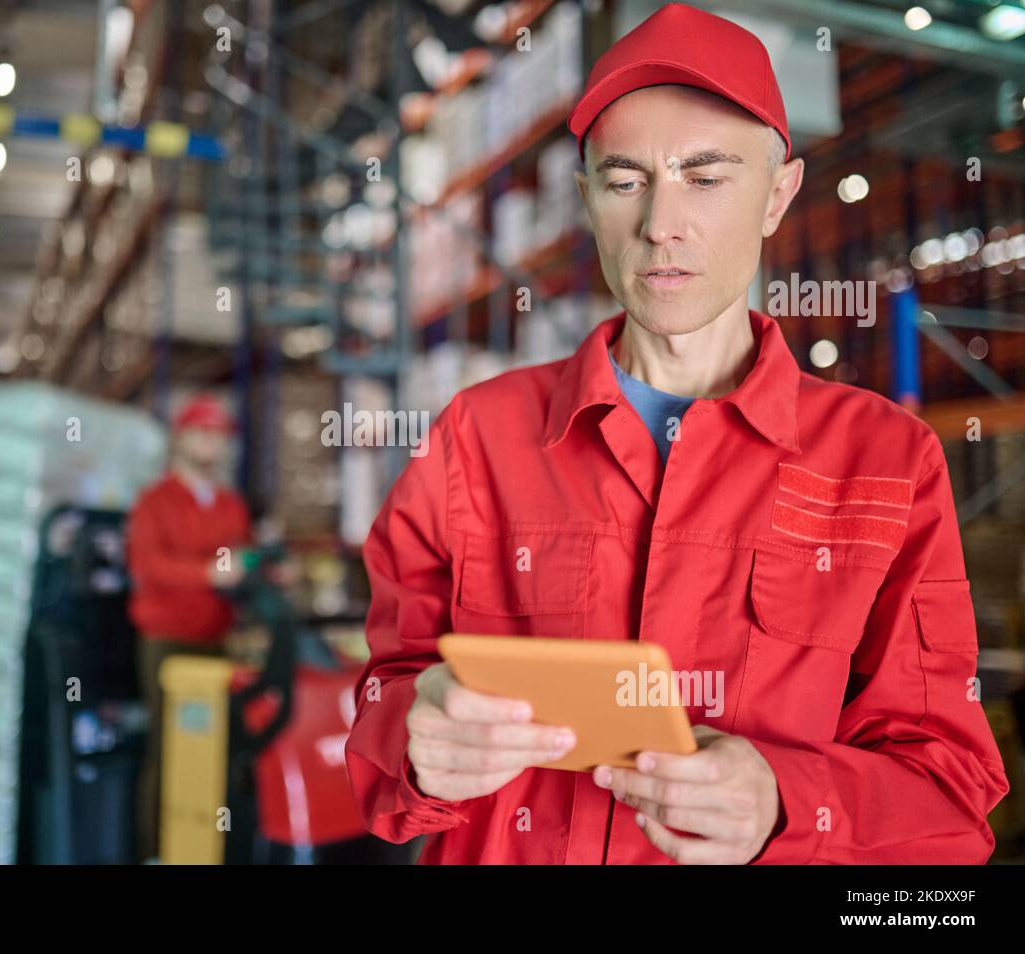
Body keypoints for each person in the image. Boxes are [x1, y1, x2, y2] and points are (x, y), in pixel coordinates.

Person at [345, 3, 1009, 864]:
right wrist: (414, 740)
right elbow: (382, 702)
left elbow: (949, 795)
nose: (661, 222)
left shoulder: (885, 462)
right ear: (586, 198)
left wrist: (785, 803)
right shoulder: (476, 438)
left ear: (777, 196)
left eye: (705, 177)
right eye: (625, 181)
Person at [125, 394, 251, 861]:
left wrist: (262, 569)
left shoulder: (230, 505)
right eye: (202, 432)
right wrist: (208, 573)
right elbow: (148, 564)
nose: (210, 443)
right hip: (169, 645)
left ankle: (207, 846)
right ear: (181, 437)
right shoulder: (154, 502)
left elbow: (243, 555)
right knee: (169, 751)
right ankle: (158, 851)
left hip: (218, 643)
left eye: (218, 435)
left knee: (212, 750)